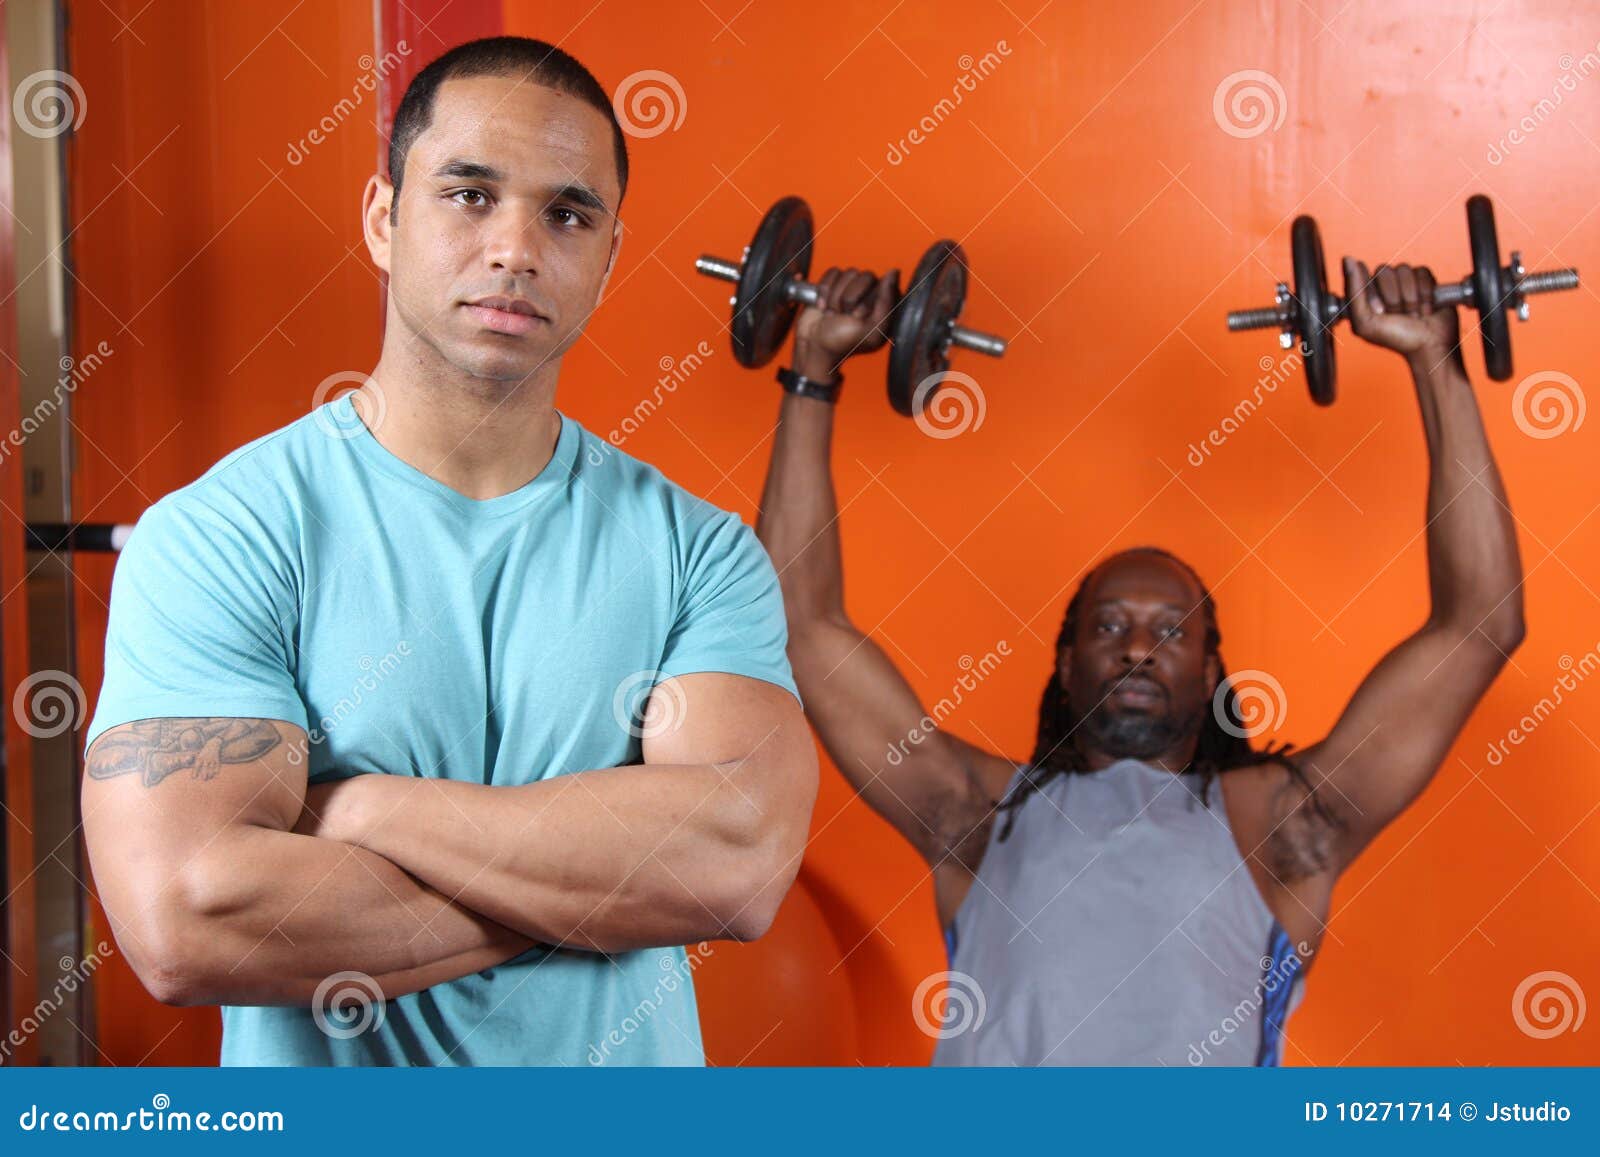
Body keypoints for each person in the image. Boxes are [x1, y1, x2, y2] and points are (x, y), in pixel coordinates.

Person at [80, 36, 817, 1067]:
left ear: (608, 256)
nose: (516, 247)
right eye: (469, 195)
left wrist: (361, 809)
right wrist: (600, 889)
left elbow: (734, 865)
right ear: (384, 219)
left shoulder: (701, 551)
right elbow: (189, 915)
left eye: (567, 213)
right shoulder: (220, 536)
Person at [754, 258, 1525, 1064]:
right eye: (1110, 625)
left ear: (1211, 672)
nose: (1135, 646)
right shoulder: (976, 818)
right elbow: (800, 622)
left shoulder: (1286, 830)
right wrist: (811, 371)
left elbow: (1481, 623)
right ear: (1065, 663)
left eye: (1170, 631)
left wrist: (1436, 357)